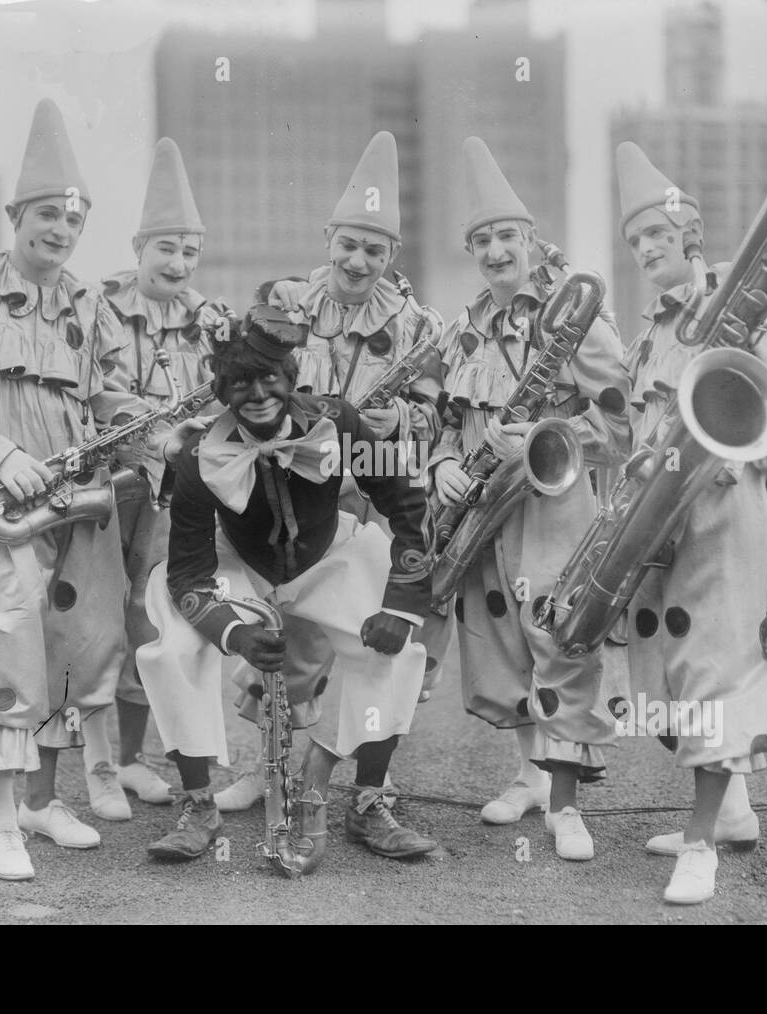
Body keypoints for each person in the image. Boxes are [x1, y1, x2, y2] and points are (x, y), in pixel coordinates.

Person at [0, 100, 188, 881]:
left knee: (74, 645)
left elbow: (108, 398)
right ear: (16, 213)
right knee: (8, 643)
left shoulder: (90, 307)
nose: (60, 230)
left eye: (73, 219)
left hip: (76, 502)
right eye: (47, 214)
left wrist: (158, 432)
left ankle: (41, 802)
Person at [135, 305, 438, 863]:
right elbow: (187, 574)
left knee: (397, 651)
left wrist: (402, 606)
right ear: (222, 390)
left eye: (268, 376)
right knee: (172, 649)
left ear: (290, 377)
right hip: (238, 566)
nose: (257, 393)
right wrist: (233, 634)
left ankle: (368, 802)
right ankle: (199, 805)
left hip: (329, 555)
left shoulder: (340, 421)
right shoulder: (198, 458)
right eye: (240, 382)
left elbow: (407, 507)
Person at [614, 141, 767, 903]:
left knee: (712, 668)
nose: (646, 249)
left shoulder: (753, 308)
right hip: (660, 516)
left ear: (690, 235)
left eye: (656, 235)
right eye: (635, 239)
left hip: (726, 510)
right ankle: (733, 811)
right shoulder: (646, 335)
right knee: (670, 673)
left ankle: (702, 846)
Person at [219, 131, 447, 811]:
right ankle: (266, 768)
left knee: (379, 637)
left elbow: (436, 412)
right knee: (290, 637)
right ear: (327, 239)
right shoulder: (284, 302)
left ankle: (369, 782)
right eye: (348, 244)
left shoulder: (417, 324)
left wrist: (400, 421)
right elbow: (242, 386)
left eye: (374, 250)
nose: (358, 260)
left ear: (393, 256)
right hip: (292, 491)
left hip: (374, 490)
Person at [427, 137, 632, 861]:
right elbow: (446, 422)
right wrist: (445, 465)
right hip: (486, 511)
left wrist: (546, 435)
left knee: (561, 642)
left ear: (531, 240)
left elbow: (621, 420)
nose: (492, 251)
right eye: (480, 240)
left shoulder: (575, 318)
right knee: (503, 643)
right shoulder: (466, 327)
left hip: (556, 505)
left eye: (505, 236)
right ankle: (528, 775)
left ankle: (568, 804)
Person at [86, 138, 229, 821]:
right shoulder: (101, 309)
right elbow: (102, 394)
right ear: (139, 246)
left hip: (177, 496)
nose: (177, 264)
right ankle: (95, 768)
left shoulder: (209, 322)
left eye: (189, 252)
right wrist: (158, 437)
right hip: (111, 486)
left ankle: (133, 759)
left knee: (151, 622)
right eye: (165, 248)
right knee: (93, 623)